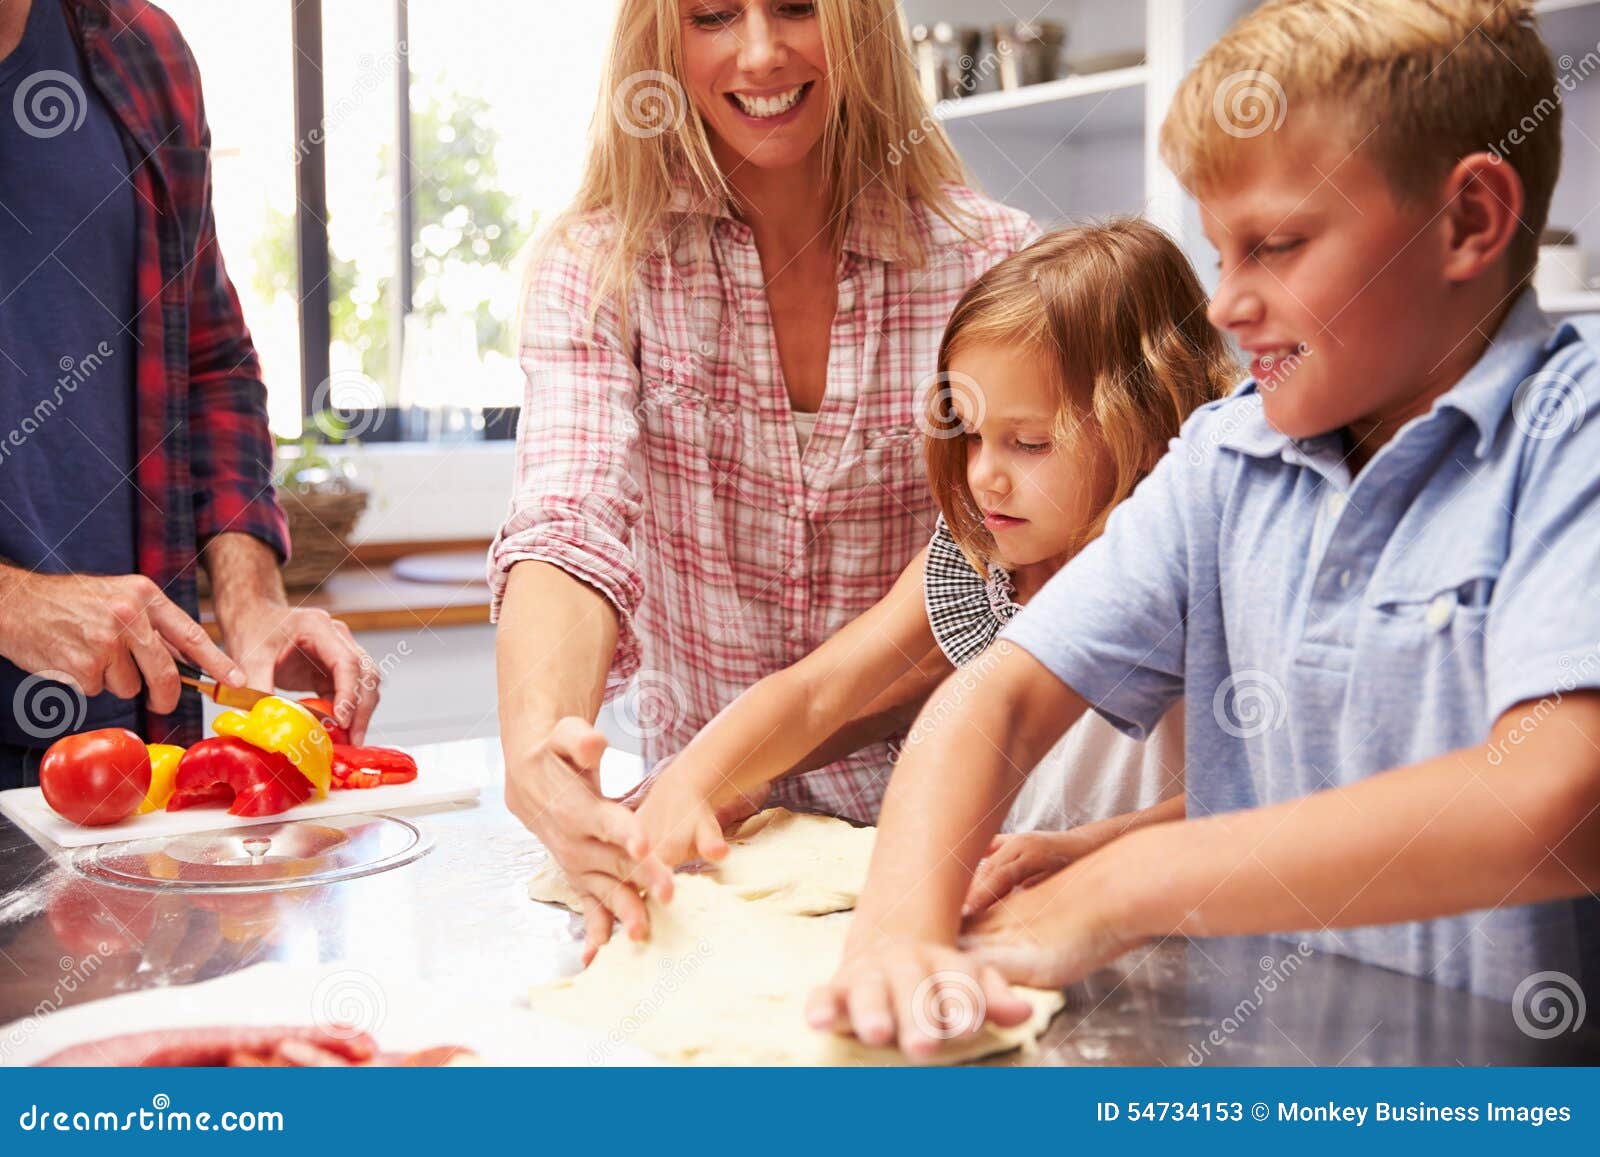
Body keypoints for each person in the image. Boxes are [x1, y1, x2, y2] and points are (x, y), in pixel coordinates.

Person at [809, 0, 1600, 1056]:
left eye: (1275, 246)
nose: (1225, 303)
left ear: (1468, 220)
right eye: (1220, 252)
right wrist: (898, 933)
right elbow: (998, 696)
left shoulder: (1571, 438)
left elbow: (1554, 800)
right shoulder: (1228, 458)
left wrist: (1133, 881)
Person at [491, 0, 1036, 952]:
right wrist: (539, 744)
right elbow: (568, 517)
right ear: (661, 42)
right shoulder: (599, 268)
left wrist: (739, 750)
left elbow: (997, 576)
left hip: (958, 846)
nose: (758, 52)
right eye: (712, 15)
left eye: (796, 8)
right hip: (699, 856)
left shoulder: (992, 264)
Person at [633, 221, 1238, 893]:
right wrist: (696, 774)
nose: (984, 477)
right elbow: (815, 692)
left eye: (1029, 443)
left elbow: (1267, 794)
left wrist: (1082, 850)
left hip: (1181, 910)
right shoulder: (981, 556)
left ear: (1147, 425)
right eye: (972, 436)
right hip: (1015, 908)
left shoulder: (1211, 569)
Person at [0, 0, 380, 791]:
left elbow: (209, 360)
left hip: (124, 749)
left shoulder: (139, 50)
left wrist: (253, 608)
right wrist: (13, 603)